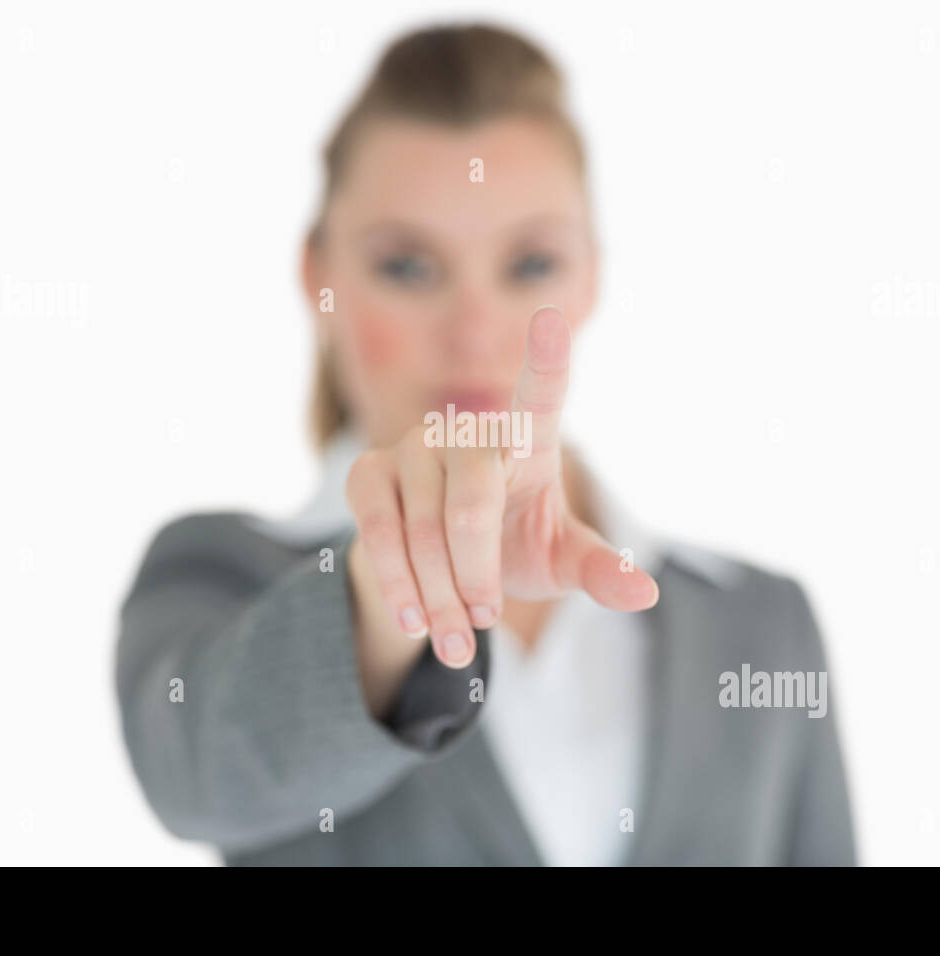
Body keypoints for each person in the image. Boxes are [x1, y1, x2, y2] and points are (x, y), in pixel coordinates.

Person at [115, 22, 857, 866]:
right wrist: (387, 590)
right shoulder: (220, 573)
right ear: (319, 277)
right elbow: (202, 775)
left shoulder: (762, 625)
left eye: (530, 264)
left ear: (591, 277)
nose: (473, 331)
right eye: (408, 267)